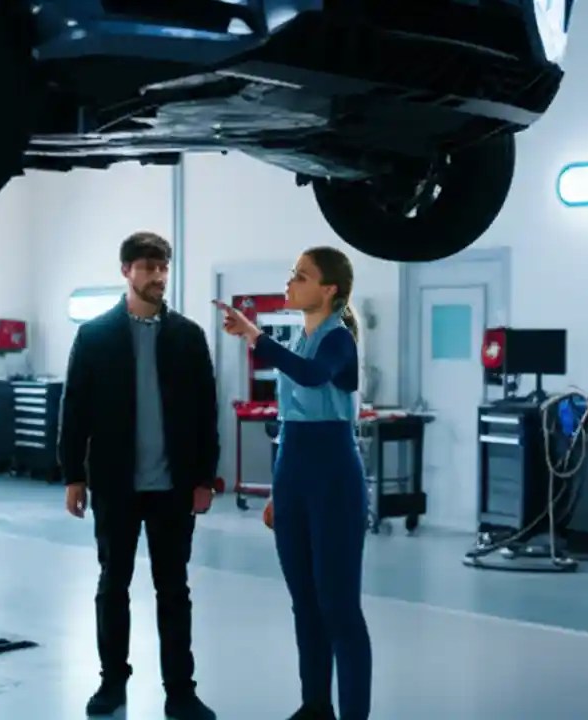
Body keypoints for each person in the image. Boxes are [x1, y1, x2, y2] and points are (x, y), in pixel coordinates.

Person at [59, 231, 220, 720]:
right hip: (115, 485)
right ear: (126, 271)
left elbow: (205, 412)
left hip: (174, 488)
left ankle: (181, 690)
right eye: (148, 267)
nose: (157, 276)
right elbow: (75, 412)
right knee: (114, 586)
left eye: (163, 267)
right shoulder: (94, 337)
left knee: (174, 590)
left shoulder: (188, 336)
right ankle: (112, 683)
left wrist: (204, 478)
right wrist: (73, 475)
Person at [215, 246, 373, 720]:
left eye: (301, 277)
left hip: (333, 477)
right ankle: (315, 707)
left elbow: (309, 377)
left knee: (339, 609)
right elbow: (291, 416)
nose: (291, 282)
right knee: (305, 604)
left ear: (329, 290)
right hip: (295, 476)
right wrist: (279, 494)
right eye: (291, 274)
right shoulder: (300, 337)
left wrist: (254, 336)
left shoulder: (337, 339)